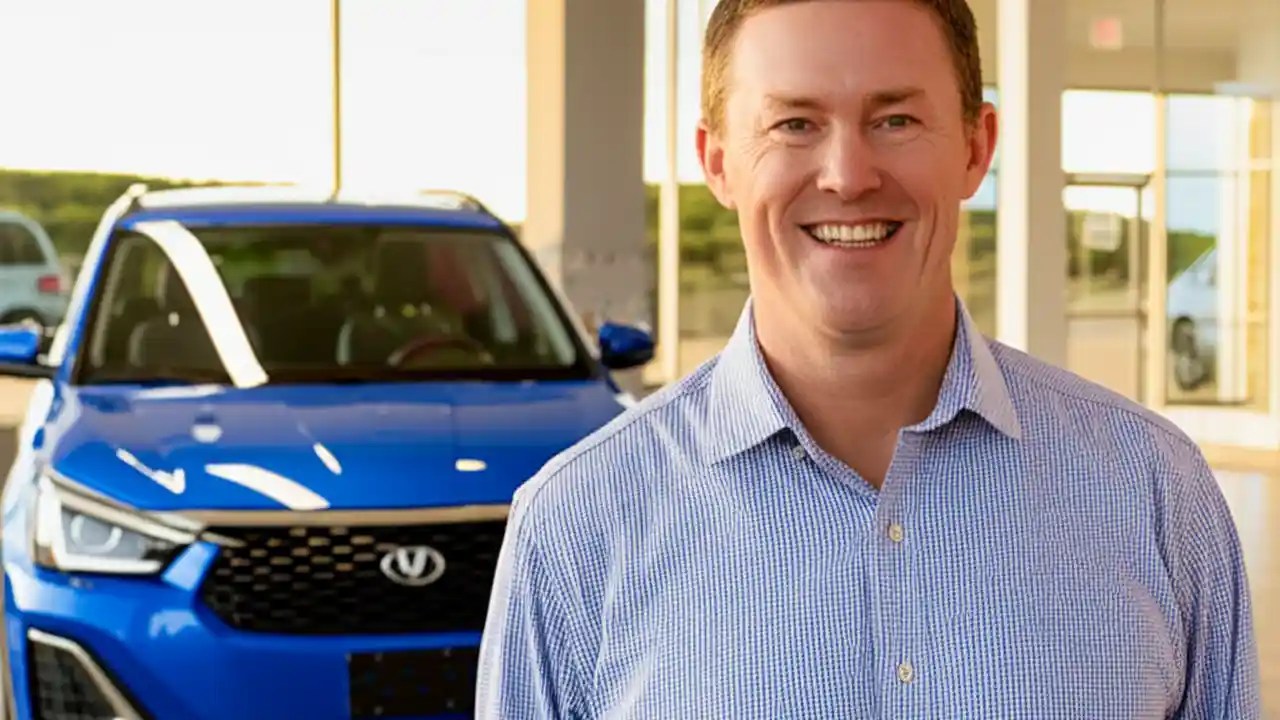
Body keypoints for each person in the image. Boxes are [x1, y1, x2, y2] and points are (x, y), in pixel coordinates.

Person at [475, 0, 1260, 717]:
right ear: (716, 162)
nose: (849, 176)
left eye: (895, 120)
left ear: (975, 148)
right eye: (794, 124)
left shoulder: (1157, 495)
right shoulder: (578, 528)